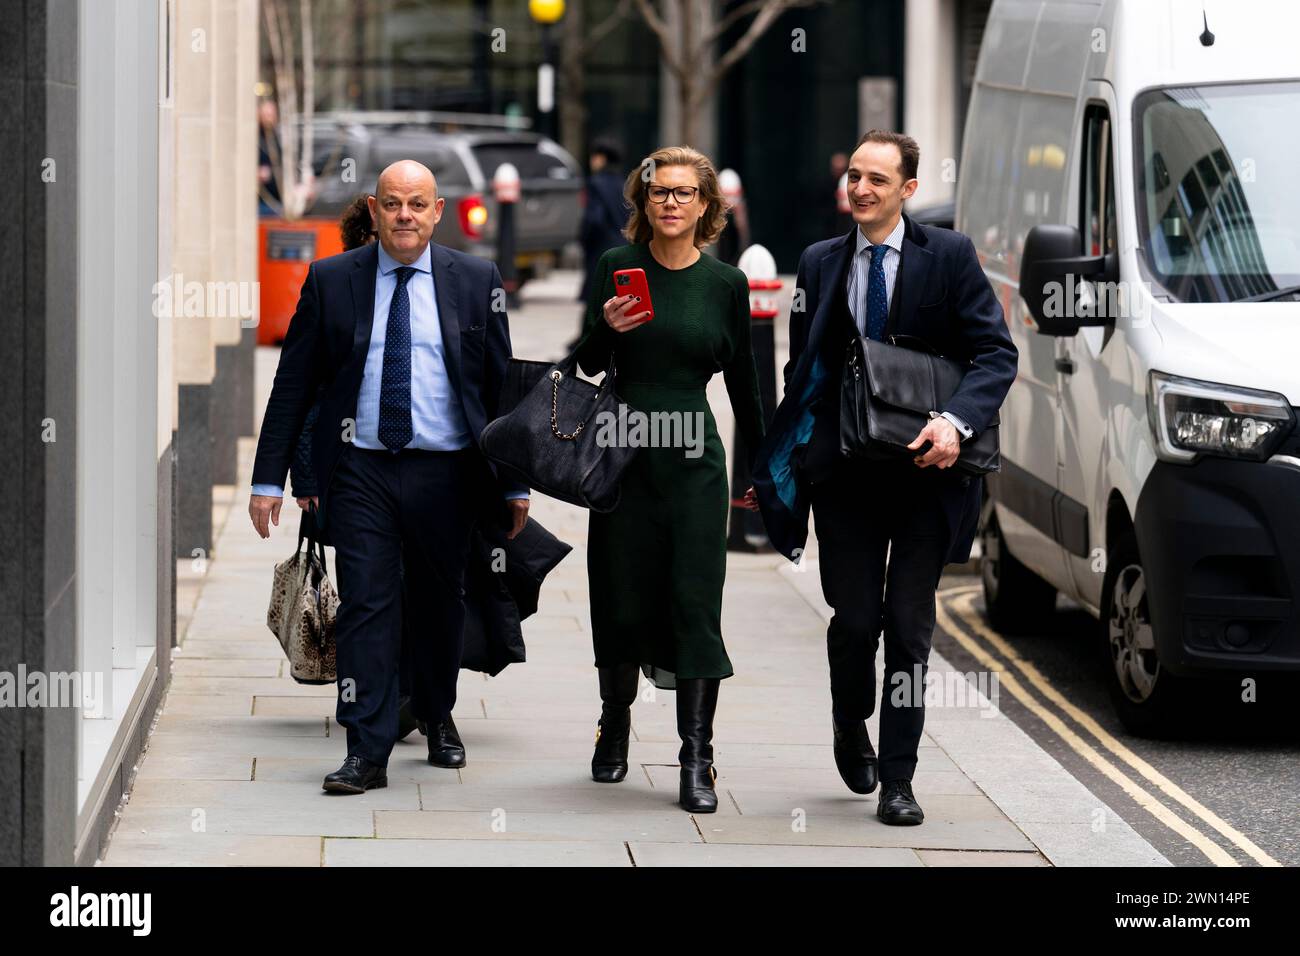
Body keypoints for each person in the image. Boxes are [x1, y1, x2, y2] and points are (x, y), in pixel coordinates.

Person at [752, 130, 1018, 826]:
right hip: (846, 474)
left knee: (908, 626)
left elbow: (995, 353)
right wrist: (786, 462)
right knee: (855, 619)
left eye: (878, 179)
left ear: (907, 190)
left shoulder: (951, 257)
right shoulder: (818, 263)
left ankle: (899, 779)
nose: (861, 189)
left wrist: (954, 424)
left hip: (928, 471)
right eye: (855, 177)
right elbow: (800, 369)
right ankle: (849, 719)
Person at [249, 160, 529, 794]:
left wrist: (514, 482)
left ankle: (435, 712)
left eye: (418, 204)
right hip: (362, 470)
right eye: (394, 204)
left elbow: (500, 390)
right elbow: (294, 383)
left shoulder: (475, 279)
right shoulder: (331, 279)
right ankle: (365, 749)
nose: (405, 215)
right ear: (374, 210)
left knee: (439, 606)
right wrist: (270, 479)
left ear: (437, 212)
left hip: (448, 471)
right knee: (367, 606)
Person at [575, 145, 765, 813]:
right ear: (643, 202)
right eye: (659, 192)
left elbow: (747, 388)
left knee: (693, 603)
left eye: (685, 193)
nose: (671, 202)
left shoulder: (725, 285)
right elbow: (583, 366)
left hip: (693, 463)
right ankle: (614, 721)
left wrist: (762, 476)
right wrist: (606, 326)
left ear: (708, 207)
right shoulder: (615, 267)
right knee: (620, 598)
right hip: (623, 455)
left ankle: (696, 757)